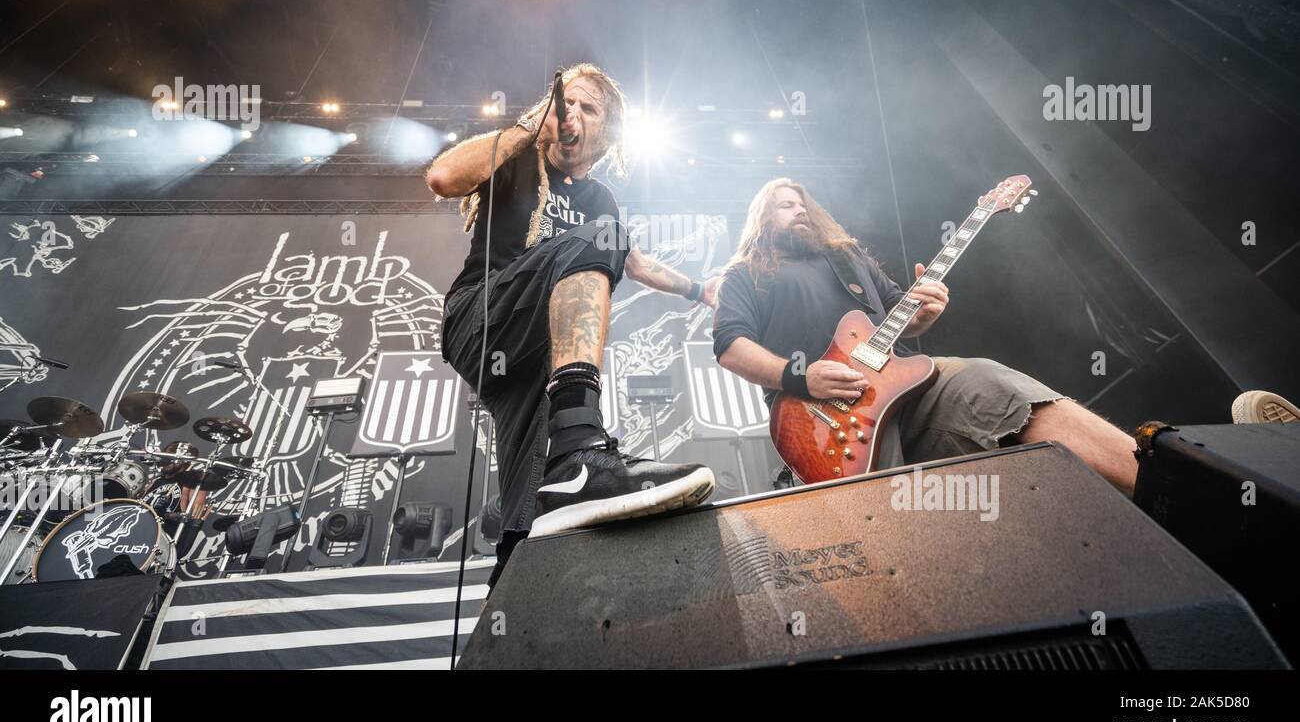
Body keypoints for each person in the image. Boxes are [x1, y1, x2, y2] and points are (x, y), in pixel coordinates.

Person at [428, 64, 720, 581]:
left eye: (590, 108)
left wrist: (699, 291)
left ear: (606, 133)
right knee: (601, 238)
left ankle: (514, 589)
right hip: (482, 319)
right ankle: (581, 443)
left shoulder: (600, 200)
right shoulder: (517, 158)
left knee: (535, 504)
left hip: (530, 356)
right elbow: (443, 178)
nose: (573, 115)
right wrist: (527, 128)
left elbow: (637, 264)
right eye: (567, 104)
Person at [712, 178, 1139, 493]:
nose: (800, 210)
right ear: (762, 218)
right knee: (882, 507)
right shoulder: (745, 275)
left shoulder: (848, 257)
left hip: (904, 385)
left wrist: (923, 311)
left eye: (803, 204)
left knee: (997, 385)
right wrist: (802, 378)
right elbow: (731, 346)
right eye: (786, 205)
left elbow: (900, 314)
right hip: (818, 416)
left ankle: (1156, 476)